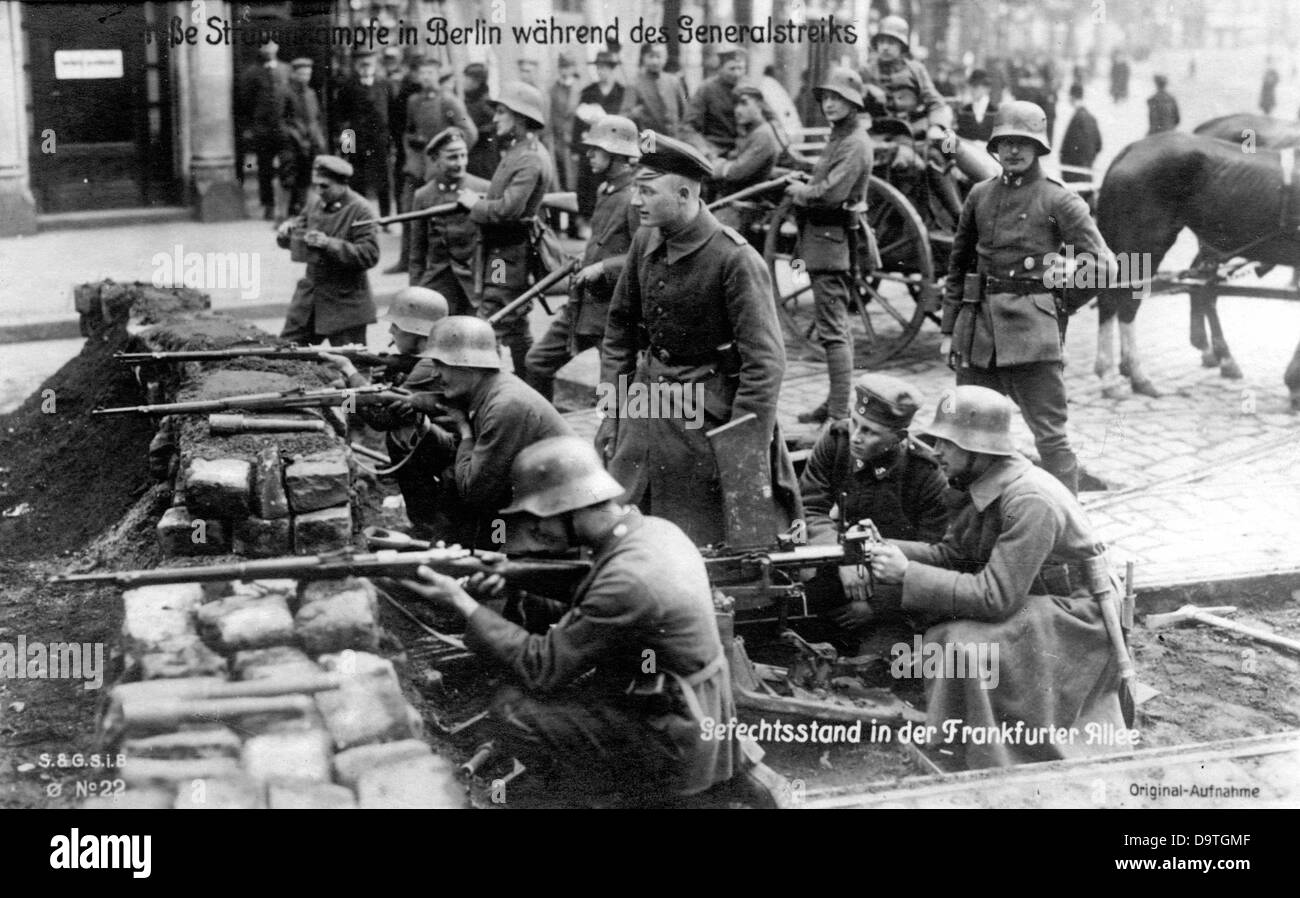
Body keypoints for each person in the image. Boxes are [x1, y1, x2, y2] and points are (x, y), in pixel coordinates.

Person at [402, 435, 788, 806]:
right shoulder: (654, 532)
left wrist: (462, 603)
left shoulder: (627, 579)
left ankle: (616, 798)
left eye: (541, 519)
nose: (535, 531)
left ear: (573, 510)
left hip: (674, 734)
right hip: (688, 708)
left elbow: (541, 667)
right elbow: (592, 599)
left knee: (513, 710)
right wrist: (511, 581)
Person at [866, 385, 1125, 769]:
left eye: (948, 443)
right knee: (944, 637)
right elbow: (953, 554)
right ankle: (961, 739)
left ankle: (991, 750)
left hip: (1078, 617)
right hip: (1036, 598)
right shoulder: (985, 481)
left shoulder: (1028, 500)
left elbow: (995, 598)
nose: (936, 451)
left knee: (963, 644)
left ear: (980, 448)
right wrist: (891, 548)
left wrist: (908, 575)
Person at [597, 132, 797, 547]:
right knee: (615, 529)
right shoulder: (645, 240)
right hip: (644, 403)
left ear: (685, 193)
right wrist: (611, 411)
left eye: (647, 191)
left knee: (698, 539)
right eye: (636, 189)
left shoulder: (735, 258)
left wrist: (741, 455)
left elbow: (765, 365)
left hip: (706, 412)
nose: (636, 201)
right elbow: (618, 330)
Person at [940, 101, 1114, 495]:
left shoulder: (1058, 200)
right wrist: (948, 330)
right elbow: (958, 265)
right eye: (1005, 143)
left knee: (1050, 438)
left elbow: (1106, 267)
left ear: (1039, 148)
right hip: (979, 336)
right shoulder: (980, 195)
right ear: (995, 148)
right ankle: (967, 523)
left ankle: (1066, 528)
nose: (1014, 151)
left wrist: (1058, 302)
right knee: (964, 432)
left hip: (1033, 337)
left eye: (1024, 143)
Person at [798, 373, 949, 654]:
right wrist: (843, 556)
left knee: (879, 667)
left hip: (896, 596)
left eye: (870, 431)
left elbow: (936, 556)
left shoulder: (927, 475)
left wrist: (876, 604)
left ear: (899, 437)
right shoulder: (836, 441)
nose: (856, 436)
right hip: (839, 573)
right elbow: (808, 507)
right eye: (855, 422)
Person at [417, 316, 573, 547]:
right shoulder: (491, 389)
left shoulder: (504, 405)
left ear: (467, 364)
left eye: (442, 365)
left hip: (559, 510)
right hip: (537, 494)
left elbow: (473, 491)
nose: (434, 374)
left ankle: (474, 555)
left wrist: (464, 430)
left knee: (457, 484)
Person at [319, 286, 451, 538]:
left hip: (452, 453)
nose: (390, 331)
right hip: (447, 448)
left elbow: (380, 420)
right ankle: (428, 526)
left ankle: (430, 531)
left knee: (400, 438)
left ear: (418, 332)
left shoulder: (427, 366)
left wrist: (350, 373)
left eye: (397, 327)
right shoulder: (431, 359)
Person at [525, 115, 640, 403]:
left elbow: (644, 256)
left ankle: (613, 443)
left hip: (614, 313)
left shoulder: (635, 198)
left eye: (596, 149)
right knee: (536, 363)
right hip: (582, 306)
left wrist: (603, 266)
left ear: (616, 155)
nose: (588, 155)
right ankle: (544, 433)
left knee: (613, 393)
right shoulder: (606, 190)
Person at [784, 68, 872, 426]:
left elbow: (834, 193)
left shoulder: (854, 142)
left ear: (854, 103)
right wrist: (807, 178)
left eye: (839, 98)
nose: (830, 104)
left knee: (833, 331)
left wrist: (800, 192)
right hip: (823, 240)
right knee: (834, 328)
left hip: (831, 242)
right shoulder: (840, 137)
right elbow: (827, 179)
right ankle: (834, 402)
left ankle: (838, 413)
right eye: (826, 98)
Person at [458, 82, 555, 376]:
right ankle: (535, 388)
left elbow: (508, 209)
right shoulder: (519, 151)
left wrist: (474, 204)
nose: (495, 118)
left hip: (505, 256)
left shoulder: (530, 158)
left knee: (490, 321)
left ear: (521, 117)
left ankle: (489, 391)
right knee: (516, 326)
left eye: (502, 112)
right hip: (504, 251)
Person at [275, 155, 380, 347]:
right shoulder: (315, 203)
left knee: (351, 364)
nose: (318, 191)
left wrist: (328, 244)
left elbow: (370, 254)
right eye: (315, 185)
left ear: (342, 184)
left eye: (325, 186)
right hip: (309, 300)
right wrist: (286, 232)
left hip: (345, 304)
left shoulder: (361, 210)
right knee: (285, 351)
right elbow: (299, 230)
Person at [393, 58, 478, 273]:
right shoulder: (413, 101)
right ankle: (407, 260)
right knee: (408, 212)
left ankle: (437, 264)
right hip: (416, 167)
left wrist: (452, 156)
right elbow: (408, 131)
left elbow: (470, 132)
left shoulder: (449, 101)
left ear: (437, 74)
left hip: (438, 170)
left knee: (438, 219)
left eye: (430, 73)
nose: (426, 77)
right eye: (422, 73)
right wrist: (411, 153)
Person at [408, 127, 487, 317]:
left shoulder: (484, 188)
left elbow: (498, 249)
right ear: (435, 160)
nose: (460, 163)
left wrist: (497, 286)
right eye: (452, 157)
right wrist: (416, 293)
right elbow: (417, 253)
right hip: (438, 286)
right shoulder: (423, 196)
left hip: (475, 286)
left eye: (463, 155)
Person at [861, 16, 954, 131]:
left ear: (901, 46)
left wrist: (937, 126)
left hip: (912, 131)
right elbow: (848, 99)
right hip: (875, 131)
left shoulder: (916, 69)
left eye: (891, 42)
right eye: (881, 42)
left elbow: (936, 103)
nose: (885, 47)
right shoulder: (865, 71)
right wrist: (867, 88)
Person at [333, 48, 391, 218]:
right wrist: (346, 147)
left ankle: (386, 217)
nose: (366, 67)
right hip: (356, 140)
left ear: (375, 64)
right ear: (356, 65)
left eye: (369, 62)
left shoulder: (384, 85)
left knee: (383, 180)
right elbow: (341, 119)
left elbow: (393, 114)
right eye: (362, 63)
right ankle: (360, 217)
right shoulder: (347, 87)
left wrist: (390, 139)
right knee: (357, 179)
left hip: (379, 139)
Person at [237, 40, 290, 220]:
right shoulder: (252, 73)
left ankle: (288, 205)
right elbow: (245, 102)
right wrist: (252, 126)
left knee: (288, 166)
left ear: (277, 47)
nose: (269, 49)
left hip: (284, 128)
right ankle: (268, 205)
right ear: (260, 49)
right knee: (265, 168)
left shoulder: (286, 70)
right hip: (262, 128)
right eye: (264, 46)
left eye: (272, 45)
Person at [574, 51, 627, 225]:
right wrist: (577, 147)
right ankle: (588, 221)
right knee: (589, 184)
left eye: (605, 68)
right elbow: (578, 122)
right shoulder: (588, 92)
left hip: (614, 146)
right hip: (592, 144)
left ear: (613, 70)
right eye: (598, 68)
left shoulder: (622, 92)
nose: (601, 72)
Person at [682, 46, 748, 159]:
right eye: (732, 69)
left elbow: (769, 118)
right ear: (720, 68)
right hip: (716, 150)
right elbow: (689, 127)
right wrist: (703, 149)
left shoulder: (749, 88)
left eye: (740, 68)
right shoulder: (706, 89)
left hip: (744, 150)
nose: (737, 73)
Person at [281, 58, 328, 217]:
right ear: (293, 74)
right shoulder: (285, 92)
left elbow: (315, 118)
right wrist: (293, 135)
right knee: (289, 177)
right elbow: (281, 120)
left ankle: (304, 211)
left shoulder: (311, 93)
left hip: (310, 142)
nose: (305, 77)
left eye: (308, 74)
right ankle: (284, 214)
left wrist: (317, 136)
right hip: (291, 143)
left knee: (307, 177)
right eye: (301, 74)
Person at [621, 43, 688, 138]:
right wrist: (634, 113)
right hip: (647, 140)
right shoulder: (635, 84)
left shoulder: (674, 81)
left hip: (673, 140)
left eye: (659, 56)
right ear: (643, 58)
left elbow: (685, 115)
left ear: (665, 57)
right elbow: (623, 117)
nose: (655, 61)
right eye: (651, 56)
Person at [1059, 82, 1101, 210]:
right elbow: (1099, 144)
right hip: (1087, 171)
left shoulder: (1077, 119)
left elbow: (1069, 149)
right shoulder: (1091, 117)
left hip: (1074, 174)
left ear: (1072, 97)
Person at [462, 62, 500, 181]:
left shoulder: (484, 102)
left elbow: (496, 123)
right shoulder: (470, 99)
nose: (464, 82)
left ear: (477, 81)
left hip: (484, 155)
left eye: (467, 79)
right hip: (474, 154)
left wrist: (478, 132)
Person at [955, 69, 996, 142]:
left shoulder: (995, 112)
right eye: (971, 86)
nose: (972, 90)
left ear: (986, 88)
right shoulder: (964, 110)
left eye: (976, 86)